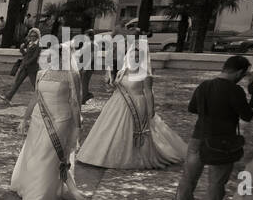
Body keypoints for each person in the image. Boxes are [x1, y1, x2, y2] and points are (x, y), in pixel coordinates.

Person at [78, 41, 186, 169]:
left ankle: (133, 157)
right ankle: (103, 156)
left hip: (136, 104)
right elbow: (113, 88)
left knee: (132, 132)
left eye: (137, 57)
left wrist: (150, 110)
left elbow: (149, 92)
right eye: (131, 56)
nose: (134, 59)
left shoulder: (145, 74)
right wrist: (109, 80)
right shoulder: (122, 71)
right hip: (116, 105)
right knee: (111, 131)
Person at [173, 56, 253, 200]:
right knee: (216, 183)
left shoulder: (204, 85)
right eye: (244, 74)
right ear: (239, 72)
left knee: (188, 179)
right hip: (222, 142)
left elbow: (192, 108)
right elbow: (247, 115)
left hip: (198, 137)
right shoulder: (235, 90)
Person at [9, 42, 86, 200]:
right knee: (35, 153)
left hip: (61, 119)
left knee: (48, 154)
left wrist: (77, 128)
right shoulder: (41, 74)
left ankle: (40, 197)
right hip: (39, 118)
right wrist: (25, 119)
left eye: (59, 56)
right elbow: (35, 97)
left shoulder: (72, 76)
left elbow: (74, 103)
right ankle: (31, 187)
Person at [0, 27, 42, 103]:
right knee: (17, 83)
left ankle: (42, 100)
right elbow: (26, 55)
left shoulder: (38, 45)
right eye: (31, 36)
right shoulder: (29, 44)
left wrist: (26, 63)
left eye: (34, 36)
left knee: (35, 85)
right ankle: (8, 98)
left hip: (32, 68)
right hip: (25, 67)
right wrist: (22, 49)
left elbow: (35, 57)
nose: (32, 37)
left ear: (37, 36)